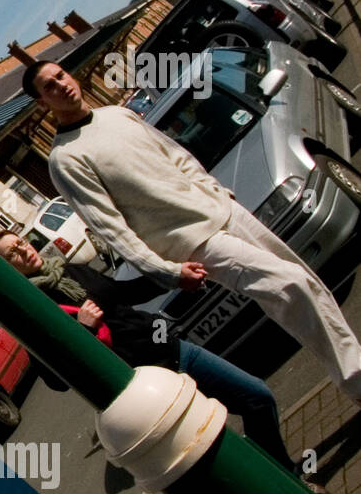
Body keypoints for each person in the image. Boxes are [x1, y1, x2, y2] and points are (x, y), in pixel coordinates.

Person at [22, 61, 361, 414]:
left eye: (60, 75)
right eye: (49, 87)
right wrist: (166, 271)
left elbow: (176, 156)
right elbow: (112, 228)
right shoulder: (65, 159)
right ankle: (355, 379)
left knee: (305, 280)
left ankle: (355, 373)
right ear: (43, 102)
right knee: (290, 286)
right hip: (193, 242)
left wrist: (214, 190)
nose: (60, 86)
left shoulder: (115, 115)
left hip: (223, 211)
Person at [0, 230, 328, 494]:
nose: (22, 251)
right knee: (213, 454)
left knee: (257, 396)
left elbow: (124, 294)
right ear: (5, 266)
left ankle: (287, 478)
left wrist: (174, 274)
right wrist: (83, 332)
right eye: (11, 254)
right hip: (148, 389)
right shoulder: (31, 310)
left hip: (173, 350)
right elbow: (57, 380)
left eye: (20, 243)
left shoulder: (70, 270)